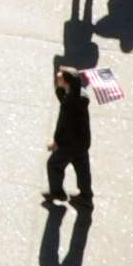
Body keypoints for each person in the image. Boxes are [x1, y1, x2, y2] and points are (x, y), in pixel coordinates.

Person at [46, 67, 93, 206]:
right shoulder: (80, 94)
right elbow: (64, 96)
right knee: (82, 169)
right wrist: (61, 86)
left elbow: (62, 125)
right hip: (82, 142)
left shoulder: (69, 103)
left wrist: (56, 143)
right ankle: (86, 196)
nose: (58, 79)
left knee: (53, 165)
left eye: (60, 79)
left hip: (69, 145)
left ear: (67, 83)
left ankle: (57, 192)